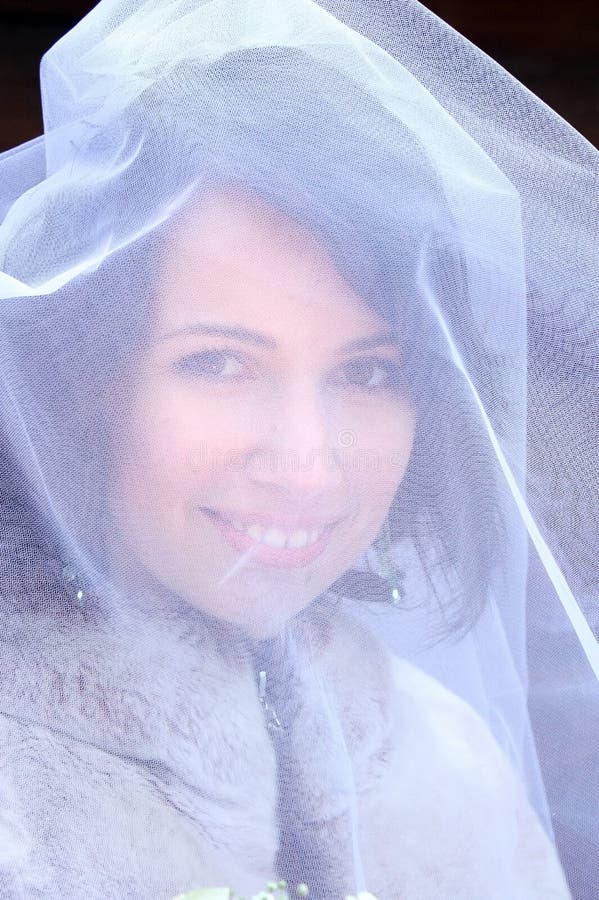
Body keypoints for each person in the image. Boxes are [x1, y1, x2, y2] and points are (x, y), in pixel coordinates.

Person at [0, 1, 596, 897]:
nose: (308, 462)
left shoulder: (449, 763)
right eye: (219, 362)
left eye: (367, 373)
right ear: (81, 378)